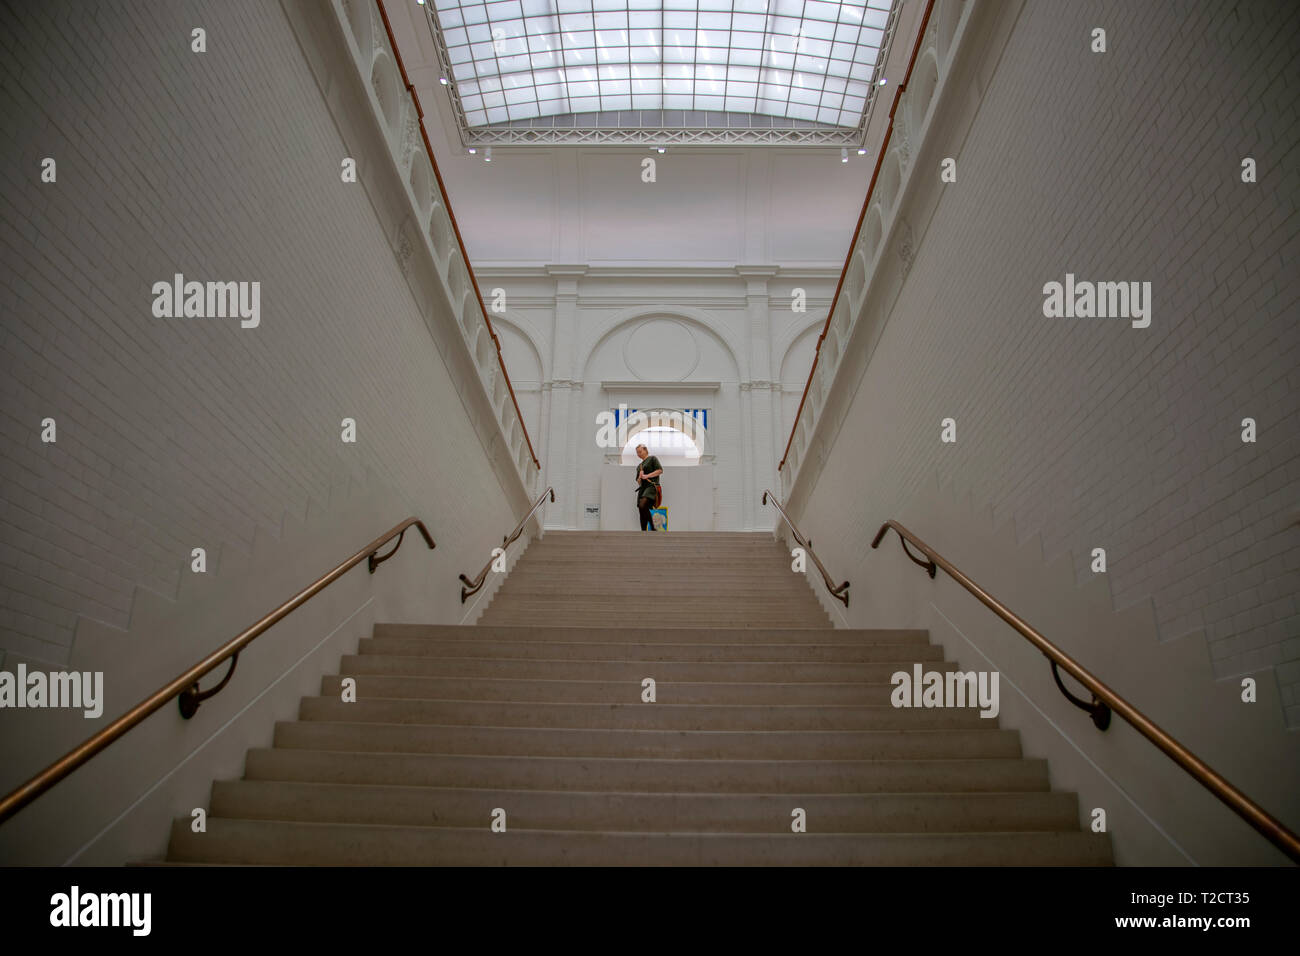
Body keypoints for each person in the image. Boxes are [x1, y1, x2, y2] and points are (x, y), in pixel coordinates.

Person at [634, 444, 663, 531]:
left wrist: (647, 476)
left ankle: (652, 527)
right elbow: (639, 482)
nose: (638, 454)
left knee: (643, 505)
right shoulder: (639, 466)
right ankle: (643, 531)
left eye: (640, 451)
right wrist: (640, 477)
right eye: (637, 453)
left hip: (651, 486)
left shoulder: (652, 459)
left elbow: (660, 470)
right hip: (643, 489)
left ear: (645, 450)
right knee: (641, 509)